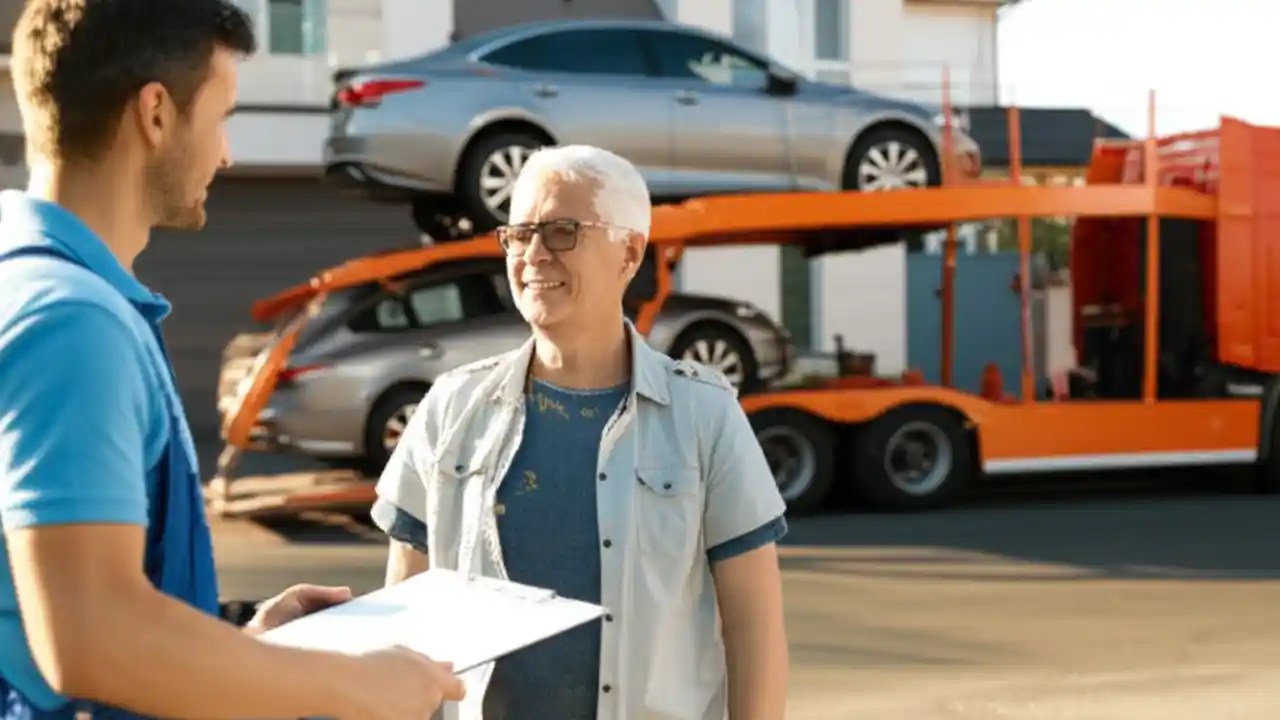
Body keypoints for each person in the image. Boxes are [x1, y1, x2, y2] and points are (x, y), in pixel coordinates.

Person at [0, 1, 464, 718]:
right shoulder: (72, 322)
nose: (227, 154)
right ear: (155, 114)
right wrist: (353, 685)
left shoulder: (33, 285)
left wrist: (250, 648)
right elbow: (90, 638)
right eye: (223, 117)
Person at [372, 145, 791, 720]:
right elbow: (404, 622)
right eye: (518, 234)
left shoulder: (704, 416)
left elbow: (755, 632)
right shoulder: (449, 410)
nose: (533, 254)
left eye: (562, 231)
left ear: (630, 253)